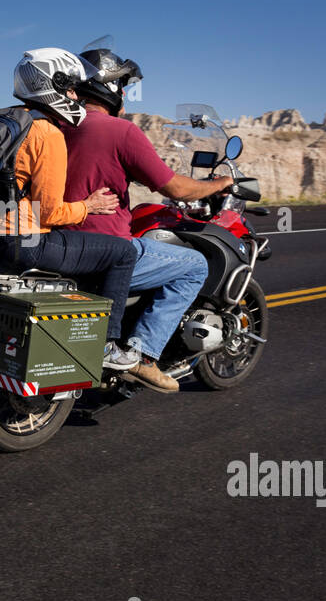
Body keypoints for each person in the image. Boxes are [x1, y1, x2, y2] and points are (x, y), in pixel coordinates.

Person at [60, 48, 233, 392]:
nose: (125, 92)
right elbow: (176, 187)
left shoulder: (56, 127)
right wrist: (219, 183)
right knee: (194, 265)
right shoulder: (121, 131)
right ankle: (143, 354)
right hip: (106, 249)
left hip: (59, 245)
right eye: (121, 84)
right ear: (107, 86)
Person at [0, 48, 142, 371]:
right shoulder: (48, 132)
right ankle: (108, 345)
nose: (76, 96)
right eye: (71, 88)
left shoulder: (6, 123)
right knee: (124, 254)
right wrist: (89, 206)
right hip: (24, 244)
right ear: (52, 86)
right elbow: (50, 214)